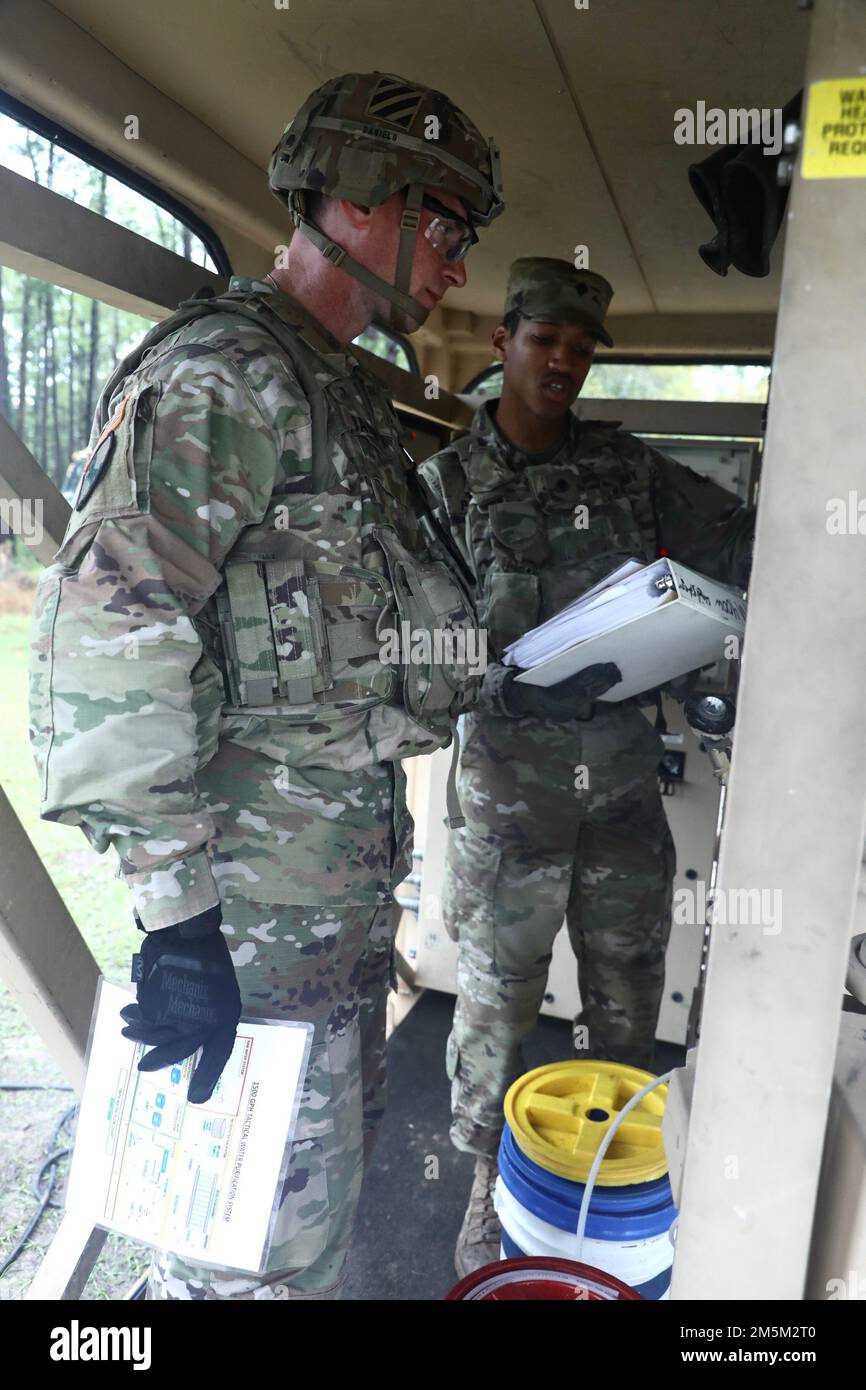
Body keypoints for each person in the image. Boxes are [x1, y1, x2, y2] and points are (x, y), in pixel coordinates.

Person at [28, 70, 503, 1300]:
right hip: (241, 934)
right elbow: (110, 635)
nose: (455, 265)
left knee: (313, 1232)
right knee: (245, 1262)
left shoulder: (338, 388)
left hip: (334, 923)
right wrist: (176, 920)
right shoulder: (228, 377)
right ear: (354, 202)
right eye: (443, 226)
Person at [419, 257, 754, 1275]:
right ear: (501, 344)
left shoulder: (628, 470)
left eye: (578, 347)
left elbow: (740, 542)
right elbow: (404, 637)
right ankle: (482, 1188)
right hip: (506, 791)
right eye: (542, 339)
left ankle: (612, 1173)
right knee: (493, 996)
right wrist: (490, 680)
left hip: (615, 782)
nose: (561, 360)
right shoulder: (442, 487)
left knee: (626, 981)